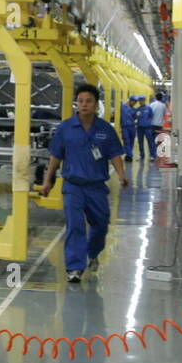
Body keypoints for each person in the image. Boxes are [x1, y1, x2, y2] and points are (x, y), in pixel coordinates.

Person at [41, 83, 130, 282]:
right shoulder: (66, 128)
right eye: (80, 101)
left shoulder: (105, 129)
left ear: (96, 104)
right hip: (72, 186)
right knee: (75, 225)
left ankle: (92, 252)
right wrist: (48, 181)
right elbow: (55, 156)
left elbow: (115, 154)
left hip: (97, 187)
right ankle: (74, 268)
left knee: (101, 225)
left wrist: (122, 174)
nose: (84, 105)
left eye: (88, 101)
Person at [146, 91, 168, 157]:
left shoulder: (151, 104)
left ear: (155, 97)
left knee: (151, 140)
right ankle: (156, 154)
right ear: (161, 98)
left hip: (151, 125)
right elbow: (164, 114)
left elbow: (149, 114)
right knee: (158, 140)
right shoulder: (163, 106)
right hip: (159, 125)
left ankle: (152, 155)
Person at [135, 95, 155, 160]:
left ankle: (152, 155)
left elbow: (151, 116)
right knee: (140, 142)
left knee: (150, 141)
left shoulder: (149, 108)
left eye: (142, 100)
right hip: (139, 128)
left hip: (148, 128)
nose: (140, 101)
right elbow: (135, 117)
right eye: (139, 100)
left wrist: (148, 122)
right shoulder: (137, 109)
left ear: (144, 100)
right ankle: (142, 155)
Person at [120, 96, 138, 161]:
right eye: (134, 102)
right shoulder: (122, 107)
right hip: (125, 127)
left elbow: (135, 118)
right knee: (126, 141)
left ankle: (128, 155)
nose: (135, 103)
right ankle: (130, 156)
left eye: (136, 102)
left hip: (132, 127)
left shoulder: (134, 109)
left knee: (131, 142)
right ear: (130, 100)